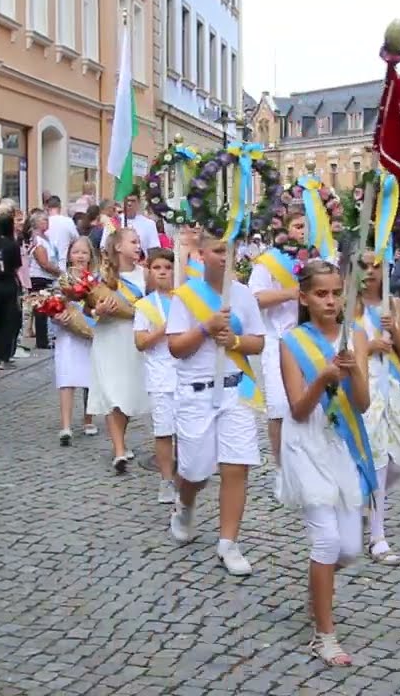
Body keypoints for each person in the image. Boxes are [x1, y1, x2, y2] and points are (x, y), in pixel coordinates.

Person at [275, 259, 372, 667]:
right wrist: (322, 378)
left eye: (336, 293)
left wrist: (353, 375)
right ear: (304, 298)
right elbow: (298, 409)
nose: (330, 301)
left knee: (349, 548)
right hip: (306, 443)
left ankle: (318, 590)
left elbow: (362, 405)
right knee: (327, 541)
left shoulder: (357, 336)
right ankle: (325, 636)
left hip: (343, 442)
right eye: (321, 294)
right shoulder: (291, 341)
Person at [166, 227, 267, 576]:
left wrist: (235, 341)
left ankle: (228, 543)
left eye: (229, 250)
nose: (225, 257)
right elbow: (176, 348)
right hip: (197, 391)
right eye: (218, 251)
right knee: (195, 471)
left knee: (236, 466)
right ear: (202, 254)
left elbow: (258, 342)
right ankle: (185, 503)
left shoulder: (243, 295)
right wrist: (205, 328)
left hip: (235, 390)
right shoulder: (185, 296)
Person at [357, 250, 400, 564]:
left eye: (376, 266)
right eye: (364, 266)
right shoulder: (346, 306)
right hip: (361, 384)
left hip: (390, 385)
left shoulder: (394, 305)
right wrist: (369, 346)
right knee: (377, 458)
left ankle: (362, 500)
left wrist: (392, 329)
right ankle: (377, 537)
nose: (370, 271)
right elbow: (335, 349)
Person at [88, 227, 150, 472]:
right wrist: (98, 310)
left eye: (138, 242)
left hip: (133, 339)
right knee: (112, 393)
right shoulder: (102, 277)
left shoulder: (145, 274)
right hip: (109, 338)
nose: (138, 246)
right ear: (118, 246)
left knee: (127, 393)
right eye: (133, 241)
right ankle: (119, 450)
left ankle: (120, 441)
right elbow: (87, 309)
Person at [249, 211, 306, 463]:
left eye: (307, 226)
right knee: (280, 408)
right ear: (286, 229)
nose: (303, 231)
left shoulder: (319, 256)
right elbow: (255, 298)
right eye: (298, 226)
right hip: (279, 339)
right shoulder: (269, 262)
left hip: (312, 340)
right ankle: (281, 464)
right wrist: (291, 293)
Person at [133, 247, 179, 503]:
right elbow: (140, 342)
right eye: (157, 268)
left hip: (185, 374)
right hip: (160, 375)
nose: (162, 272)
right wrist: (163, 330)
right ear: (149, 271)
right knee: (163, 431)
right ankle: (166, 480)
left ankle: (186, 476)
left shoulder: (184, 300)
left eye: (168, 268)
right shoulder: (145, 306)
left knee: (187, 431)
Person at [54, 236, 99, 444]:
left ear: (90, 256)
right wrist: (57, 315)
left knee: (90, 377)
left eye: (84, 252)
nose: (80, 256)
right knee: (67, 376)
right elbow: (53, 303)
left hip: (90, 330)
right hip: (68, 333)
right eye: (76, 252)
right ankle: (65, 425)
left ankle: (88, 418)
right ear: (69, 256)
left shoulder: (96, 280)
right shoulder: (62, 280)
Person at [0, 214, 26, 367]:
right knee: (9, 321)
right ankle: (5, 356)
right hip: (8, 284)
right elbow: (17, 266)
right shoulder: (12, 245)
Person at [28, 209, 61, 350]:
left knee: (46, 308)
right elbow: (44, 263)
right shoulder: (38, 240)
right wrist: (59, 272)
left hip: (47, 276)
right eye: (44, 220)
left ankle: (46, 337)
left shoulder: (46, 238)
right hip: (40, 277)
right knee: (41, 309)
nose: (47, 222)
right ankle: (42, 340)